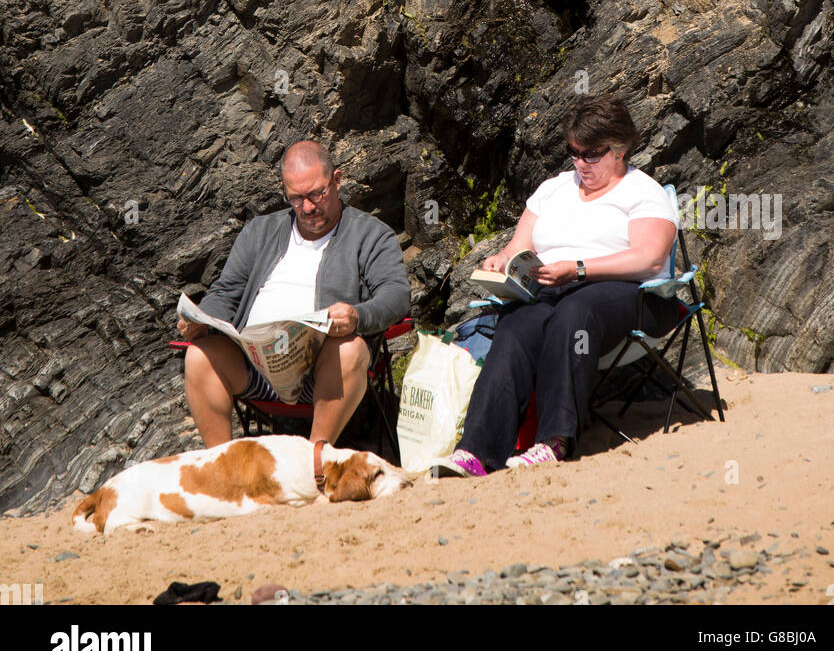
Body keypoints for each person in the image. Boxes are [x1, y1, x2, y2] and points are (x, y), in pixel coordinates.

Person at [433, 96, 680, 476]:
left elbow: (648, 258)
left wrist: (579, 269)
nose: (581, 163)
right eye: (574, 152)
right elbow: (520, 245)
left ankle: (554, 442)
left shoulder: (642, 192)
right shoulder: (554, 188)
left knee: (575, 314)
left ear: (620, 149)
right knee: (515, 328)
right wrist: (503, 261)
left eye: (591, 154)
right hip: (553, 286)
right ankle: (477, 452)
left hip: (628, 292)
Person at [178, 140, 410, 448]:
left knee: (349, 349)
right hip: (255, 367)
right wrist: (203, 319)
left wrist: (357, 316)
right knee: (199, 354)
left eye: (317, 193)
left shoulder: (370, 234)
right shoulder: (260, 231)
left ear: (337, 180)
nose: (309, 207)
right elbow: (226, 293)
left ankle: (316, 462)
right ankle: (223, 471)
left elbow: (396, 295)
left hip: (325, 370)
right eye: (297, 198)